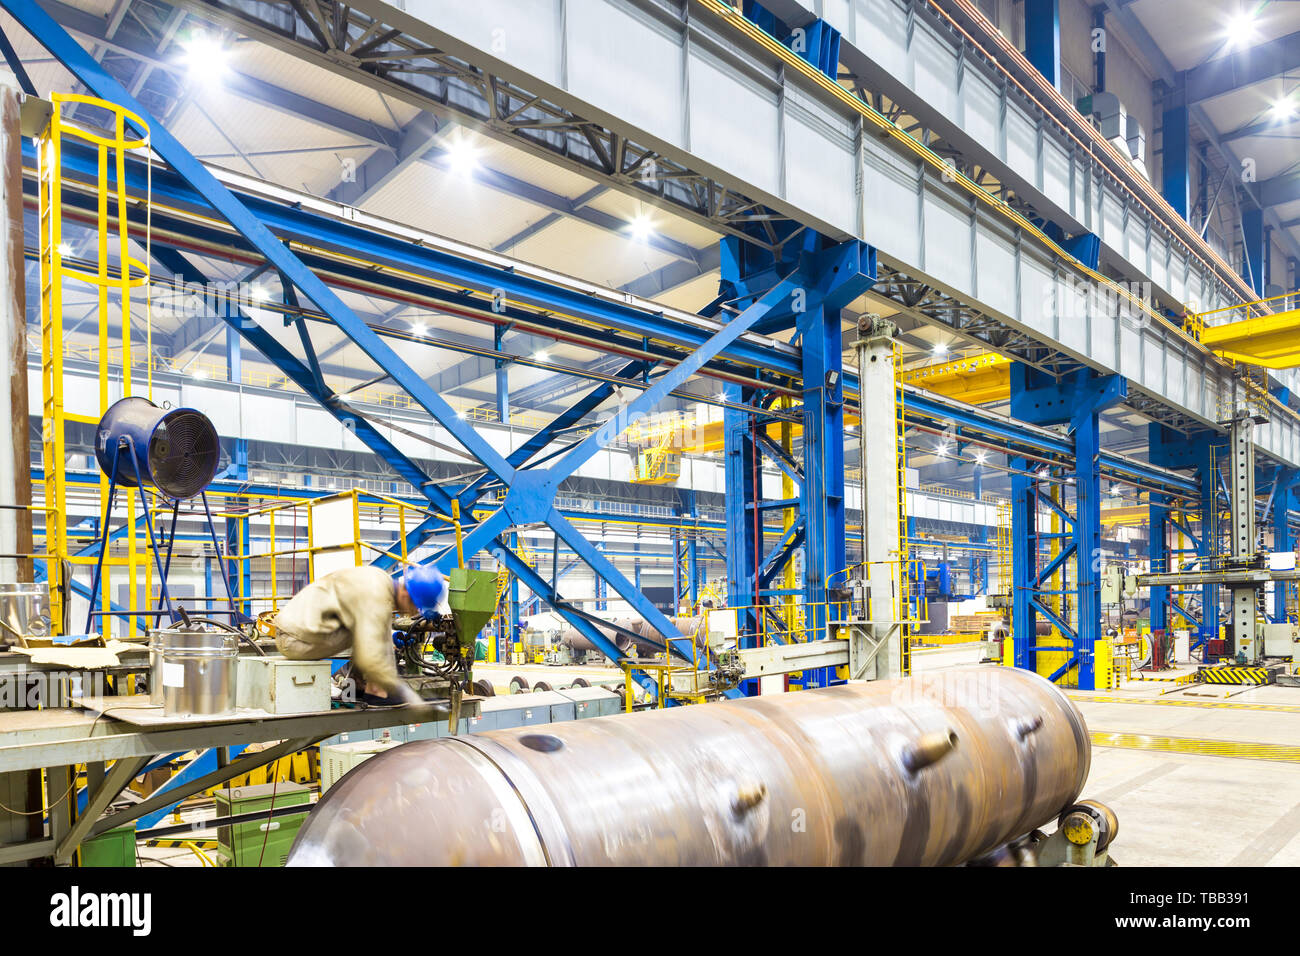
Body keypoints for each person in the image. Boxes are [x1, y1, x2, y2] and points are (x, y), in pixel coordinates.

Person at [272, 564, 447, 707]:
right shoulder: (376, 596)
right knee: (373, 631)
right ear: (406, 594)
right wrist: (407, 694)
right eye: (415, 607)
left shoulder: (380, 580)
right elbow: (370, 651)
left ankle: (359, 683)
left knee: (376, 626)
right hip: (295, 640)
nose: (413, 612)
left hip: (294, 630)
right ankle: (376, 690)